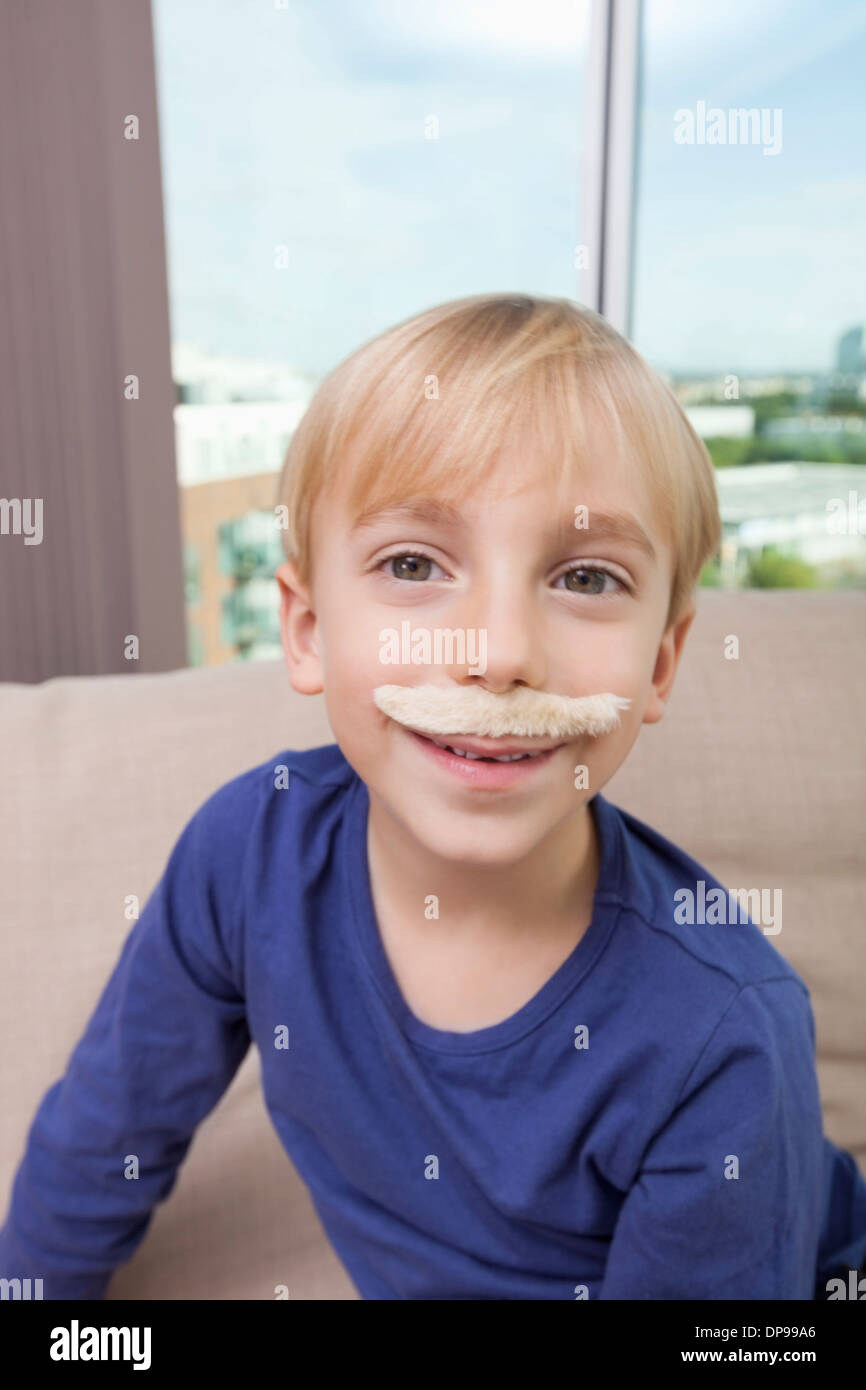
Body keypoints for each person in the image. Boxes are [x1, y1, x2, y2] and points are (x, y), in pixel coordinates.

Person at [1, 293, 864, 1300]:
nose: (497, 653)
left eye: (584, 577)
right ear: (309, 629)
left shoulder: (722, 1035)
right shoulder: (244, 858)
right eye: (413, 564)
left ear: (660, 665)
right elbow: (104, 1137)